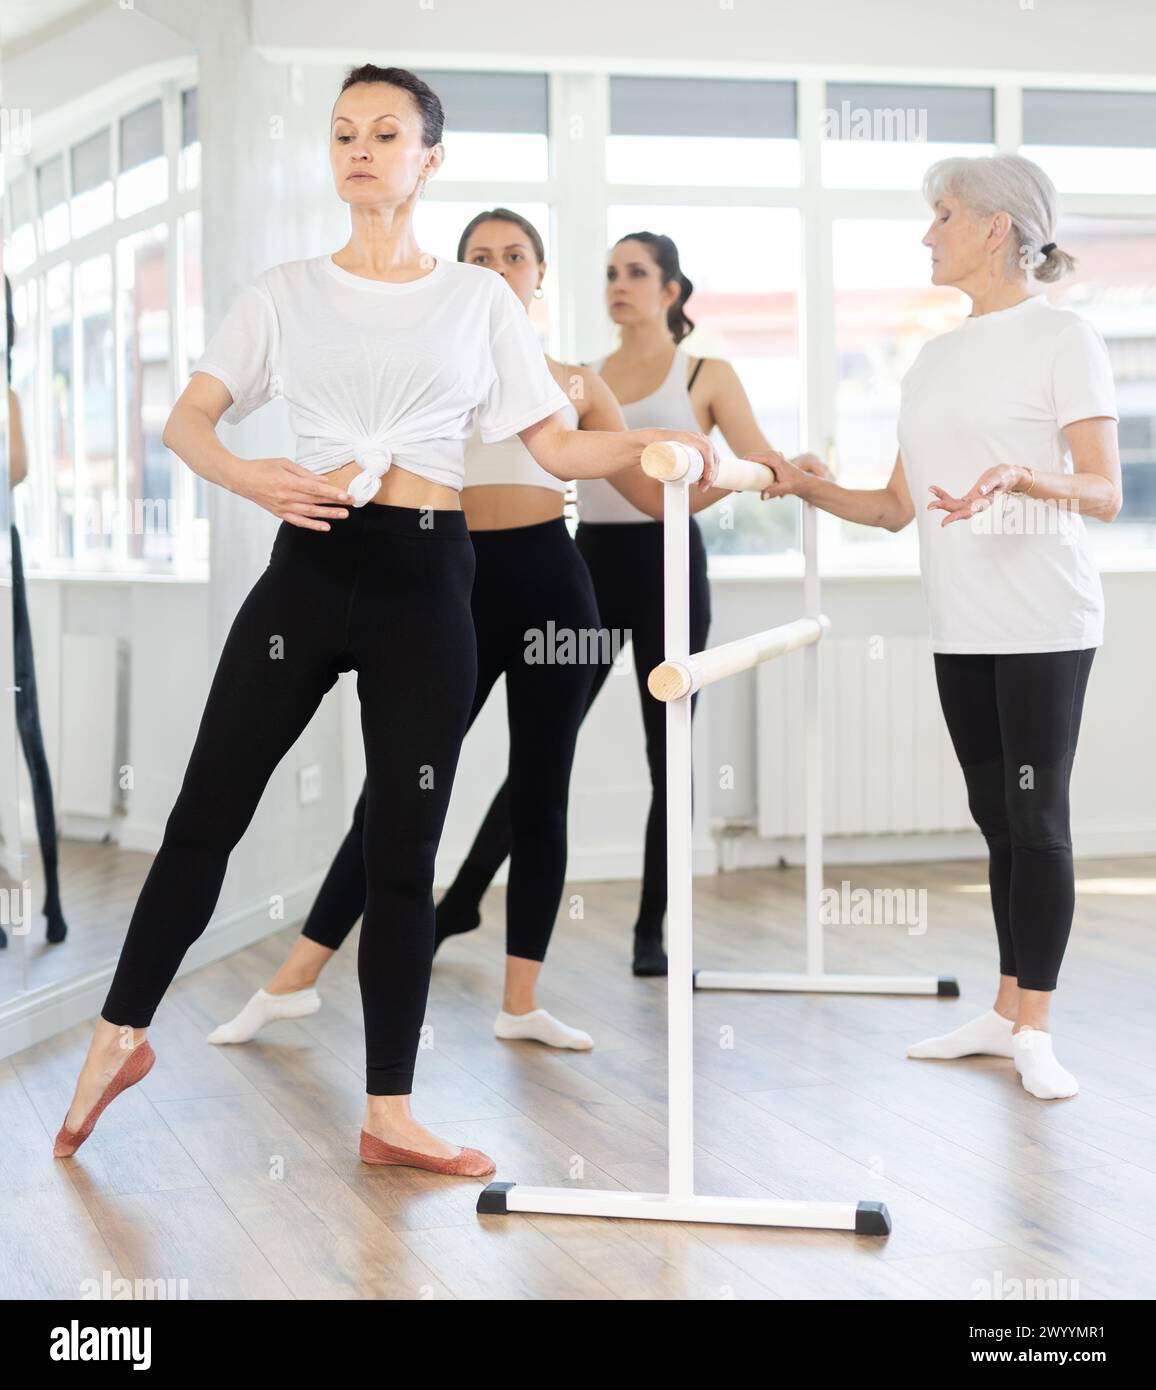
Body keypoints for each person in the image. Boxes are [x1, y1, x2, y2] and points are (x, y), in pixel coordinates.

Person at [52, 65, 717, 1176]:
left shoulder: (477, 302)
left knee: (404, 849)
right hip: (306, 573)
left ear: (428, 161)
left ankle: (390, 1111)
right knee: (204, 813)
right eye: (344, 132)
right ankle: (115, 1038)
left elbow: (554, 447)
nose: (360, 149)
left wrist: (670, 451)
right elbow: (188, 419)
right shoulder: (282, 290)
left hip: (426, 580)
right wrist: (252, 478)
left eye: (386, 133)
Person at [207, 208, 693, 1051]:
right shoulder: (432, 362)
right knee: (395, 798)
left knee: (542, 794)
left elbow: (647, 494)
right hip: (451, 584)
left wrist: (738, 471)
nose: (499, 269)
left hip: (556, 589)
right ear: (458, 272)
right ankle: (295, 980)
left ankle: (521, 1002)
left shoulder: (576, 381)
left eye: (515, 256)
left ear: (540, 274)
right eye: (480, 257)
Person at [754, 154, 1121, 1101]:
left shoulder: (1063, 338)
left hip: (1044, 619)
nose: (928, 233)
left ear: (997, 229)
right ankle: (1004, 1011)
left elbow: (1107, 490)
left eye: (943, 216)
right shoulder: (935, 357)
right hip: (962, 624)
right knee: (997, 820)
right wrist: (807, 486)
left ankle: (1036, 1026)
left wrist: (1024, 476)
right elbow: (890, 508)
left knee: (1037, 821)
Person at [436, 231, 815, 976]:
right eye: (611, 272)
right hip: (585, 566)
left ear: (671, 290)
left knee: (666, 750)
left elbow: (746, 464)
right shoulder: (583, 376)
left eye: (636, 273)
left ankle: (651, 927)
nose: (619, 284)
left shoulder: (707, 372)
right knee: (545, 754)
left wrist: (783, 468)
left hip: (669, 568)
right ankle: (463, 900)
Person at [5, 273, 68, 948]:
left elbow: (15, 469)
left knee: (27, 725)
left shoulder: (10, 395)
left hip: (4, 561)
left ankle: (51, 898)